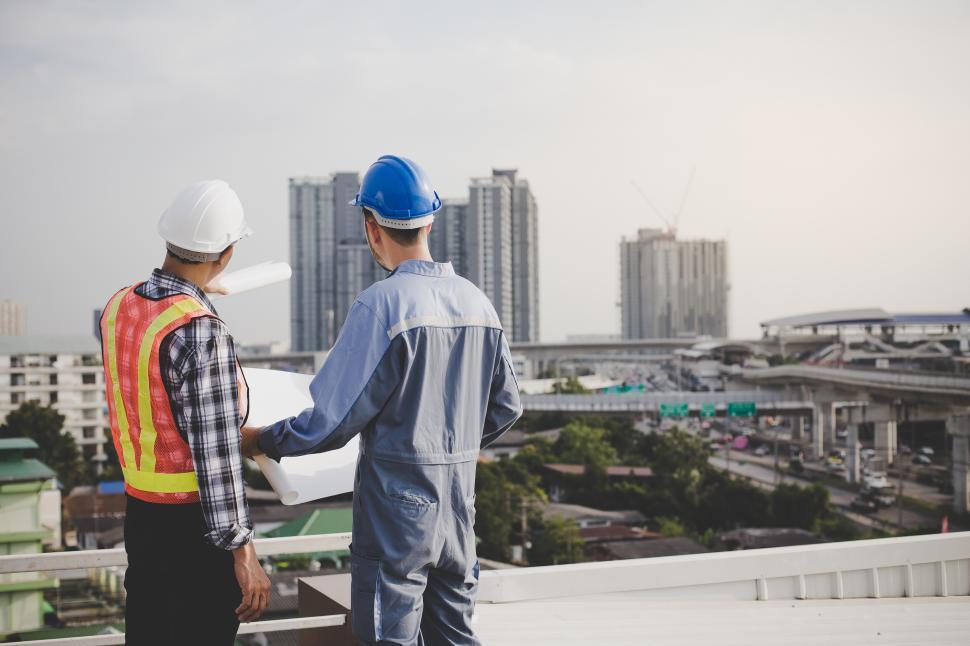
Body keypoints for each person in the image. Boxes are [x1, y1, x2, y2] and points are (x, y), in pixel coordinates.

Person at [242, 155, 522, 645]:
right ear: (429, 222)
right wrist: (446, 445)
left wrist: (263, 439)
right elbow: (506, 407)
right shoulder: (479, 303)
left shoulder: (381, 305)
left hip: (397, 512)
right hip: (459, 504)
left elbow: (331, 421)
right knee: (455, 636)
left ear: (371, 228)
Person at [99, 180, 270, 645]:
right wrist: (243, 553)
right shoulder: (199, 331)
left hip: (141, 517)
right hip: (194, 533)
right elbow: (215, 457)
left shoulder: (119, 307)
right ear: (227, 252)